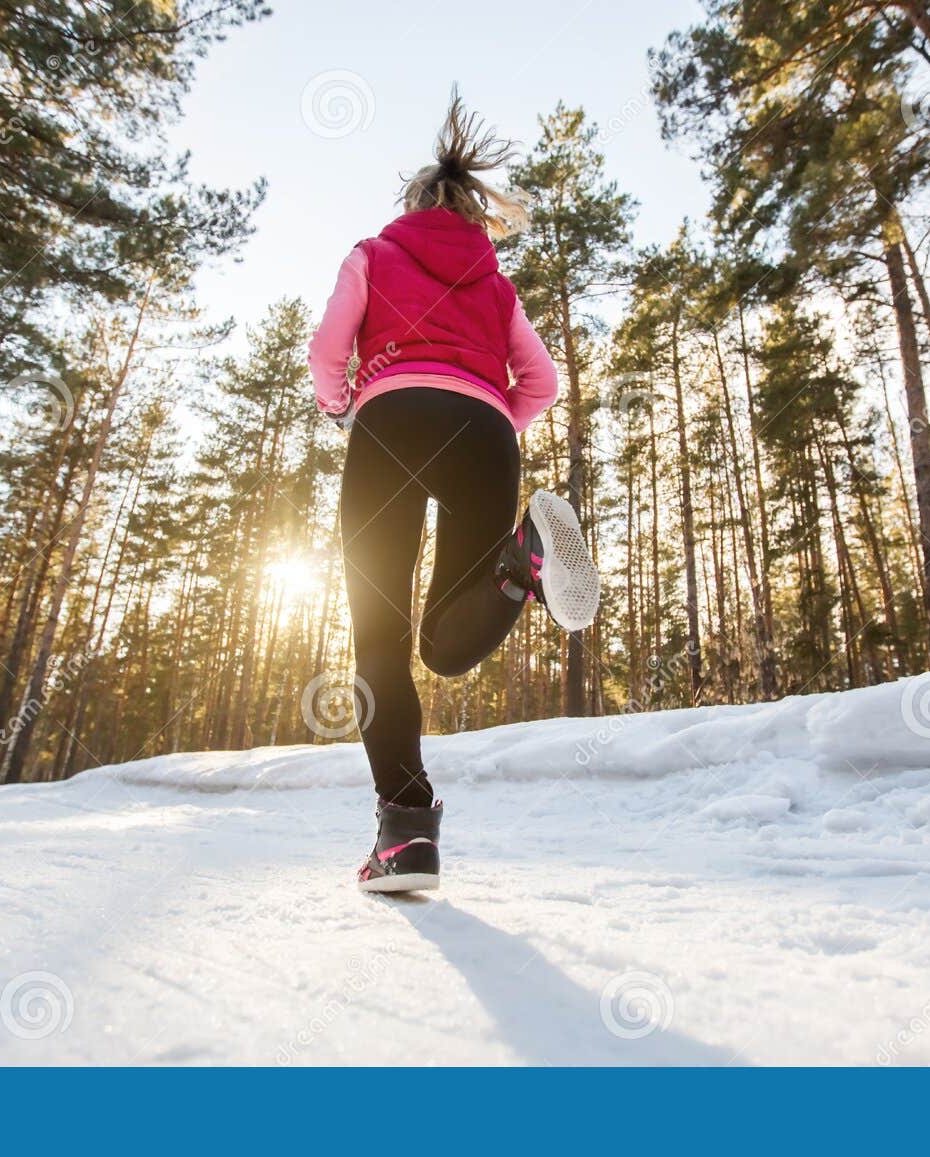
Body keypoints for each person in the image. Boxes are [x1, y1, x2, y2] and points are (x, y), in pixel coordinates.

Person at [308, 93, 600, 894]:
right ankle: (523, 562)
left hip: (390, 422)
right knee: (446, 643)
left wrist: (344, 403)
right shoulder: (494, 285)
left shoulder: (372, 253)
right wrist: (492, 415)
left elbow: (327, 348)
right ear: (472, 215)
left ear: (413, 206)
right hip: (484, 433)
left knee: (383, 641)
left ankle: (403, 830)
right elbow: (541, 381)